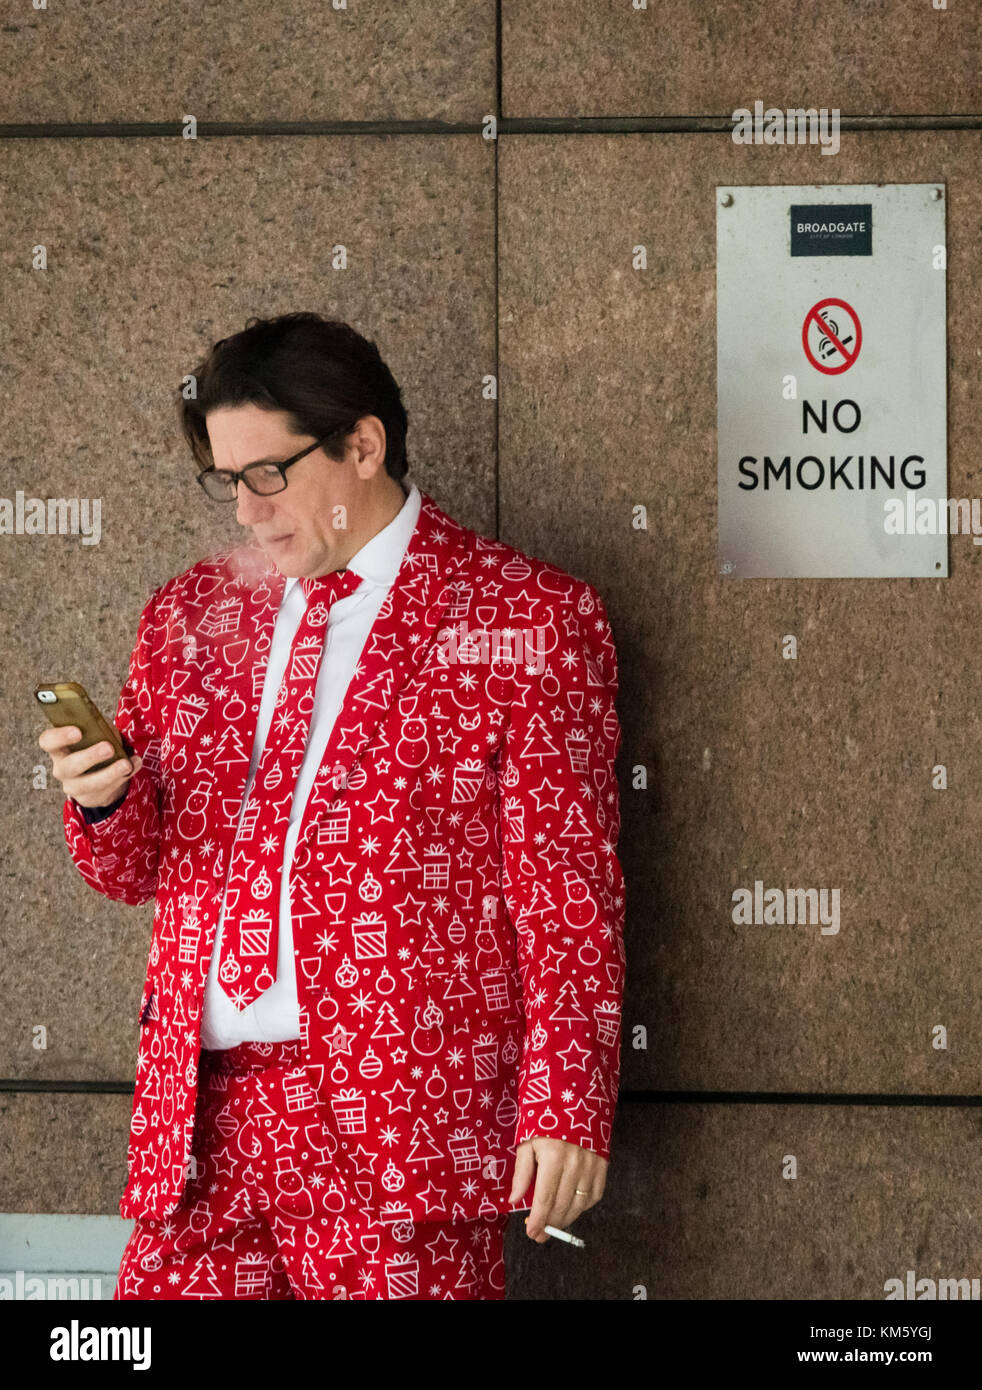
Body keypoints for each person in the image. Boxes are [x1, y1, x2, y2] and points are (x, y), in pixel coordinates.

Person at [39, 312, 626, 1301]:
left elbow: (565, 886)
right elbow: (131, 871)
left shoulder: (522, 617)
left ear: (362, 443)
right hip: (202, 1137)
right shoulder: (190, 615)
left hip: (399, 1130)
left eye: (267, 472)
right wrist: (103, 802)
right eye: (225, 481)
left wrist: (566, 1102)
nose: (245, 510)